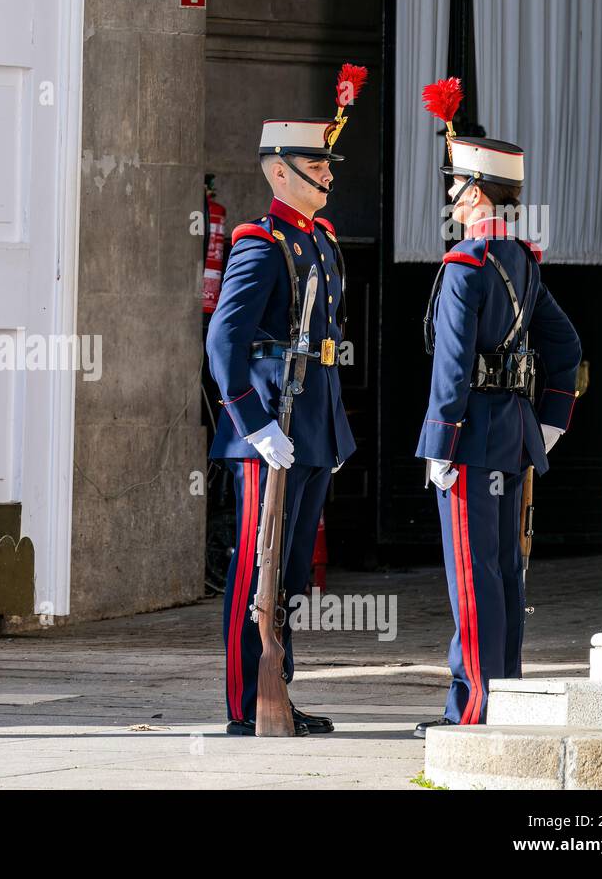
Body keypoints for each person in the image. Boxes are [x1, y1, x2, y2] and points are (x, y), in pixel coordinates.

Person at [413, 78, 581, 737]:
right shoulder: (522, 260)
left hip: (470, 438)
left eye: (457, 186)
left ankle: (473, 709)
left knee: (473, 577)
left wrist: (439, 445)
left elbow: (451, 365)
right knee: (506, 572)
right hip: (512, 436)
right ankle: (502, 696)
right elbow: (564, 345)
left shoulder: (464, 265)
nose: (452, 196)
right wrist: (550, 420)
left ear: (478, 192)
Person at [206, 65, 367, 736]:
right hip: (268, 429)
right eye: (313, 166)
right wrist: (254, 424)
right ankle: (248, 704)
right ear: (278, 172)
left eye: (327, 166)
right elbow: (224, 341)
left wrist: (331, 435)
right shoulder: (260, 243)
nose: (327, 177)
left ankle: (281, 691)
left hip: (310, 428)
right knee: (255, 568)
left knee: (293, 570)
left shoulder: (321, 243)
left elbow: (325, 344)